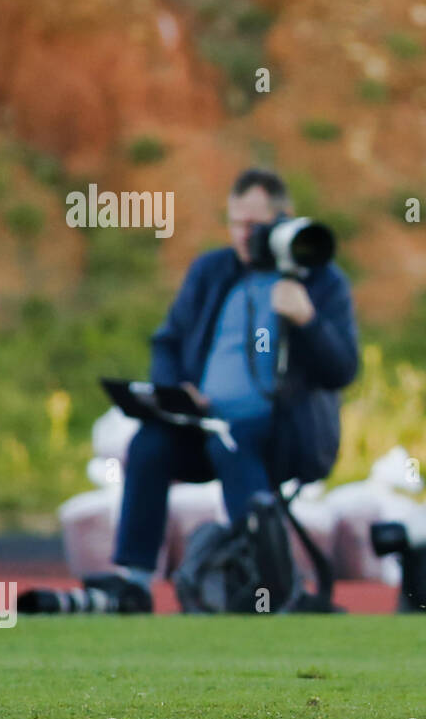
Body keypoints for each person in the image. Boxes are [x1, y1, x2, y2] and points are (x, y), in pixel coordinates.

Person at [106, 168, 359, 610]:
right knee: (148, 445)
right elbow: (167, 341)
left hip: (285, 436)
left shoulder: (319, 279)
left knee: (233, 441)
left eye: (255, 225)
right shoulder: (212, 270)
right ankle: (135, 582)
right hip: (203, 424)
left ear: (284, 219)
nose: (244, 235)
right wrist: (174, 390)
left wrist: (308, 321)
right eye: (235, 223)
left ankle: (266, 583)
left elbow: (341, 370)